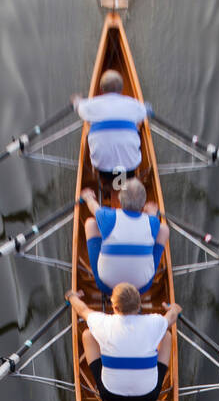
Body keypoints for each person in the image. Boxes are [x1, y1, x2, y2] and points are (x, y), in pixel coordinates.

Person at [66, 283, 180, 401]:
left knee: (87, 334)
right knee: (165, 335)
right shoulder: (155, 322)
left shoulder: (103, 322)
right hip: (148, 397)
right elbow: (172, 317)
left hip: (110, 397)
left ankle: (99, 382)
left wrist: (71, 296)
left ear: (114, 307)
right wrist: (174, 309)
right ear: (139, 306)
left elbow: (82, 310)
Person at [80, 178, 169, 295]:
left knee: (91, 223)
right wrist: (152, 212)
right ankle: (148, 268)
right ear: (143, 203)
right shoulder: (152, 221)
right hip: (141, 288)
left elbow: (93, 206)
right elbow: (152, 219)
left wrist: (88, 197)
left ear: (120, 201)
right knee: (163, 229)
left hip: (106, 287)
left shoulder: (107, 216)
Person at [72, 70, 149, 201]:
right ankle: (123, 189)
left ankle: (108, 187)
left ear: (101, 91)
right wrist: (147, 109)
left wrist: (76, 101)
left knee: (91, 128)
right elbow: (144, 111)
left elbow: (78, 106)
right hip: (129, 165)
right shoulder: (134, 105)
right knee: (137, 125)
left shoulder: (90, 106)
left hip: (103, 166)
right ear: (122, 90)